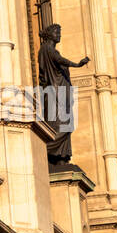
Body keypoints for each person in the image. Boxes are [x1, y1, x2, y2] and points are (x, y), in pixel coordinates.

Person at [37, 22, 89, 165]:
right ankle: (43, 148)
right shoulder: (46, 49)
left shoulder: (50, 50)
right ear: (49, 35)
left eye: (59, 32)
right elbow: (59, 60)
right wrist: (77, 64)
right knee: (61, 124)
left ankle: (60, 157)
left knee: (65, 123)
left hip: (60, 92)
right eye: (56, 32)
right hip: (54, 93)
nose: (59, 35)